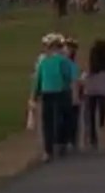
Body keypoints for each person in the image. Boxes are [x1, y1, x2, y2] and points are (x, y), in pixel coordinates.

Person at [31, 33, 74, 162]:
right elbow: (67, 76)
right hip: (59, 92)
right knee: (58, 119)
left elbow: (37, 79)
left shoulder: (43, 61)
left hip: (47, 92)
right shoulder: (63, 60)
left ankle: (48, 149)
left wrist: (34, 95)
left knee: (48, 122)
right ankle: (58, 144)